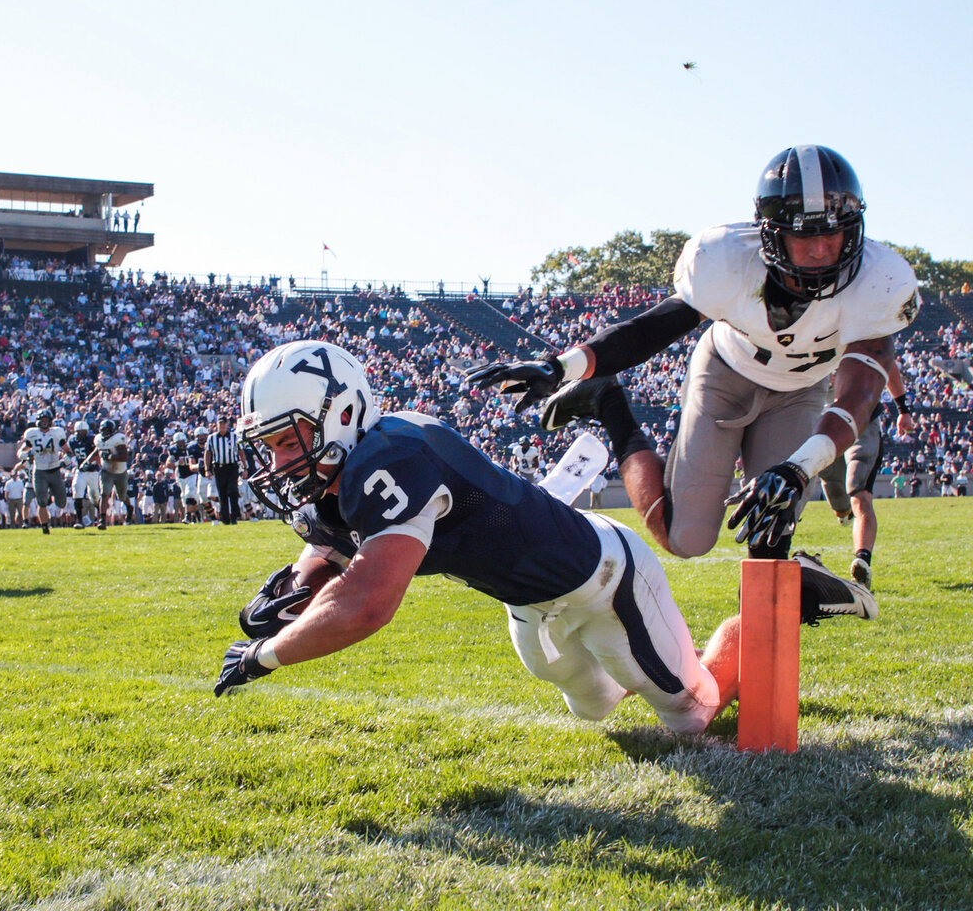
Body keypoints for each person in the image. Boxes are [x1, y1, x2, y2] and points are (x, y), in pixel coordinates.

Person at [213, 341, 740, 733]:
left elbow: (366, 603)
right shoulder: (345, 469)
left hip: (605, 579)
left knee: (691, 715)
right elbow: (329, 549)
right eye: (270, 446)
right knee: (595, 706)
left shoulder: (394, 456)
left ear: (344, 414)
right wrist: (294, 590)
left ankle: (740, 636)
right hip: (529, 602)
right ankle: (664, 654)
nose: (279, 463)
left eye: (289, 442)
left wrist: (267, 655)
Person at [469, 145, 914, 606]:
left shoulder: (882, 282)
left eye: (834, 234)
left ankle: (771, 608)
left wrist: (800, 469)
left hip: (801, 390)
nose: (822, 251)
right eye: (805, 238)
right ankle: (607, 401)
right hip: (726, 371)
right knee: (686, 538)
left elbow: (858, 397)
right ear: (772, 236)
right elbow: (651, 329)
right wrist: (560, 367)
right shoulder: (727, 258)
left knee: (772, 521)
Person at [818, 370, 917, 589]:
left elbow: (887, 364)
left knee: (859, 492)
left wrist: (903, 409)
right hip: (823, 423)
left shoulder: (863, 346)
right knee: (838, 498)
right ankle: (844, 512)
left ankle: (862, 562)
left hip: (862, 418)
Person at [17, 408, 70, 535]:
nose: (44, 422)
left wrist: (66, 460)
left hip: (54, 470)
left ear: (51, 421)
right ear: (37, 421)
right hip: (40, 471)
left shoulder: (57, 432)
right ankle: (45, 527)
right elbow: (21, 451)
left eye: (46, 420)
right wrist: (24, 455)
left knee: (61, 503)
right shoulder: (32, 433)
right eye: (42, 420)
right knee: (41, 501)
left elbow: (67, 450)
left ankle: (51, 497)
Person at [203, 415, 242, 525]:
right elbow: (208, 453)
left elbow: (240, 451)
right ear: (217, 424)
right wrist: (207, 469)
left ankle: (234, 516)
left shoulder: (234, 437)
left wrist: (245, 466)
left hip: (232, 466)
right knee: (222, 494)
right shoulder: (212, 438)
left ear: (227, 424)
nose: (222, 425)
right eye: (220, 423)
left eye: (224, 423)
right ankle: (225, 518)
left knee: (232, 491)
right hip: (219, 467)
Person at [94, 418, 131, 528]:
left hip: (120, 472)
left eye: (108, 430)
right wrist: (87, 461)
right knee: (104, 494)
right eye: (104, 430)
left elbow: (124, 457)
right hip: (106, 471)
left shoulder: (118, 438)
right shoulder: (98, 439)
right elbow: (97, 451)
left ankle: (129, 507)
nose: (106, 432)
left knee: (122, 496)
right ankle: (102, 520)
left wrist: (109, 457)